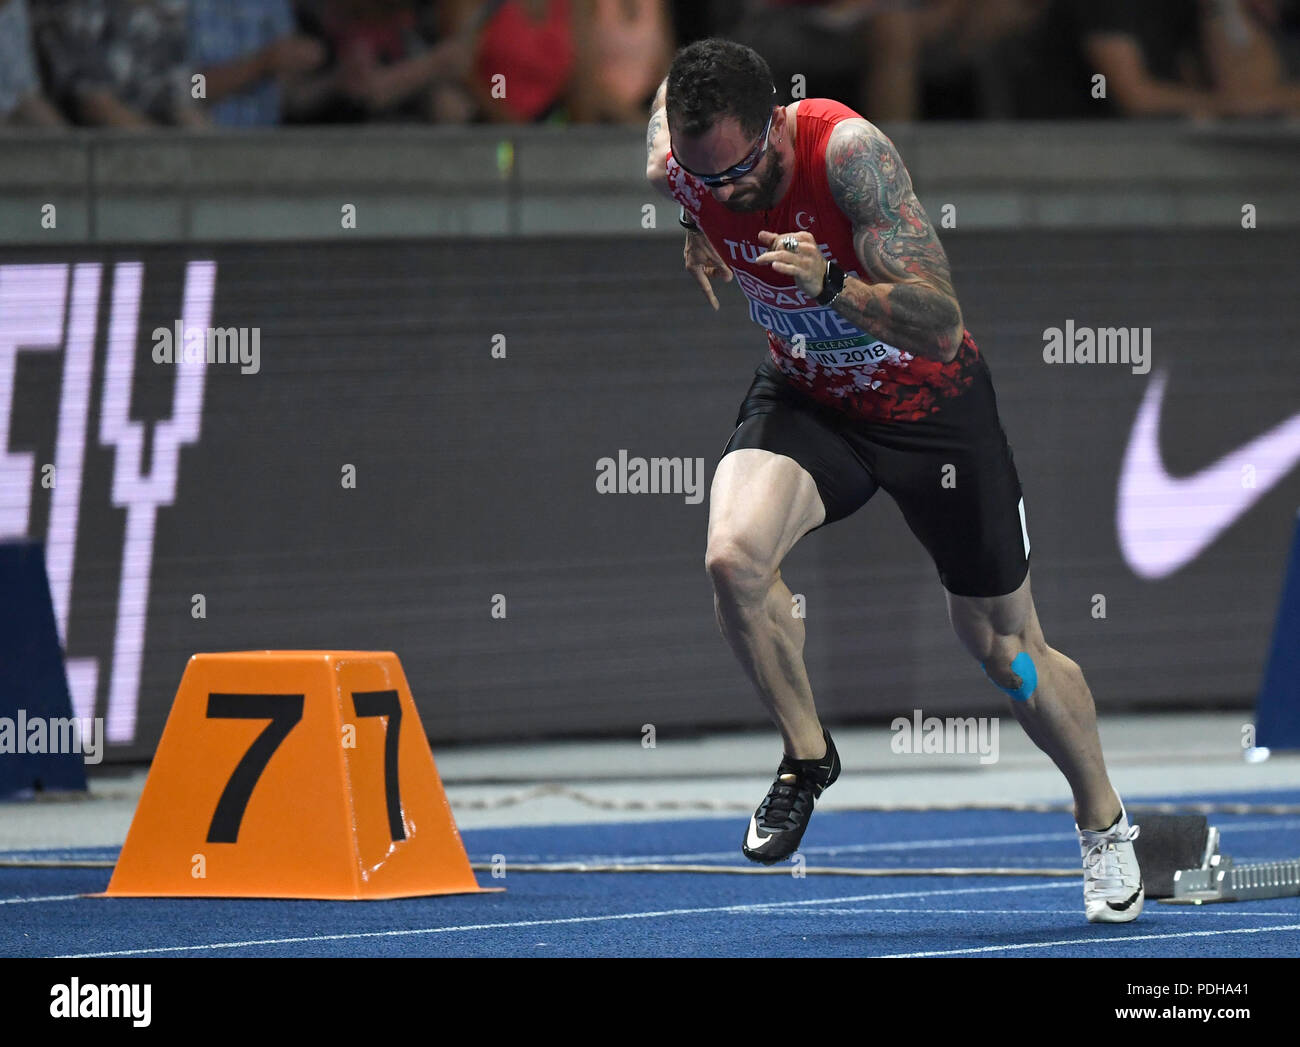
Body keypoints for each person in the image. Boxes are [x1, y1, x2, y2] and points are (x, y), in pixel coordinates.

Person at [645, 38, 1143, 923]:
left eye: (744, 174)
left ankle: (1103, 821)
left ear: (776, 127)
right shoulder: (685, 163)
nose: (727, 193)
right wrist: (695, 224)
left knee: (1007, 651)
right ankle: (808, 754)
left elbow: (942, 326)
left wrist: (833, 281)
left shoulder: (850, 157)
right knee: (733, 558)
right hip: (810, 397)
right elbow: (681, 131)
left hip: (930, 412)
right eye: (704, 181)